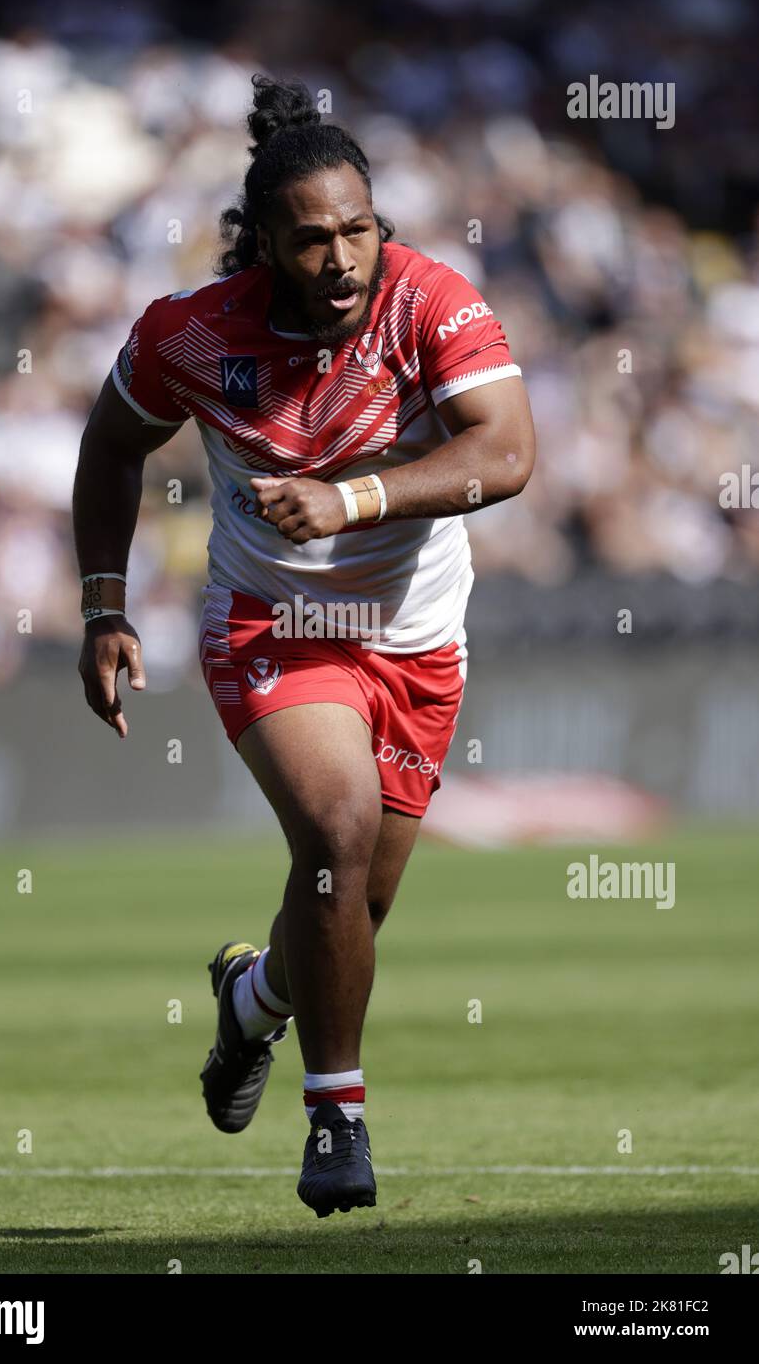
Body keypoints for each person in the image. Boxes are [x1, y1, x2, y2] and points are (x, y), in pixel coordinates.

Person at [73, 75, 535, 1219]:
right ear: (264, 246)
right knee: (331, 829)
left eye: (357, 231)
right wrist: (103, 606)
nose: (339, 259)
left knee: (349, 909)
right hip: (269, 624)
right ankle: (337, 1114)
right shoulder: (190, 333)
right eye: (311, 239)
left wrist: (355, 498)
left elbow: (509, 452)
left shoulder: (431, 303)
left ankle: (251, 1002)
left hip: (418, 638)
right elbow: (109, 447)